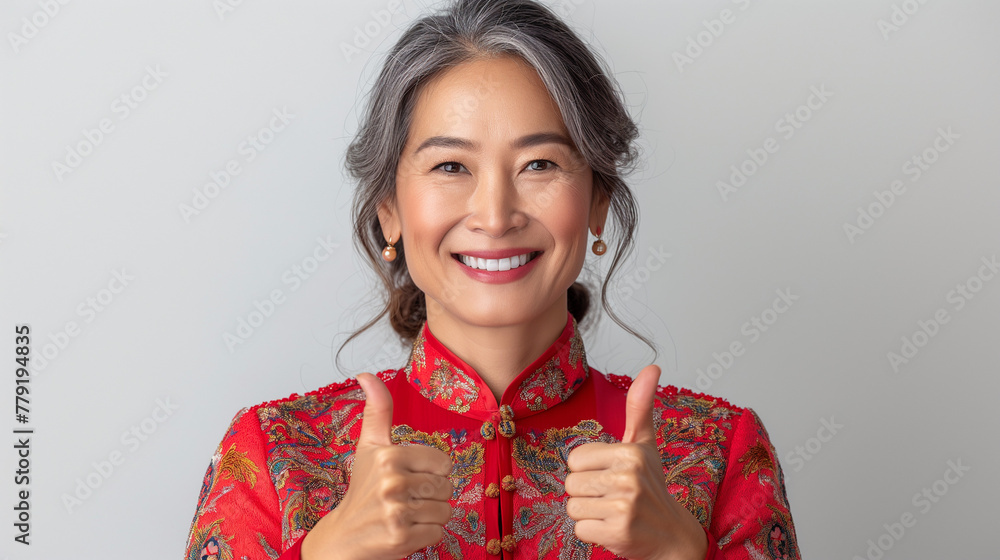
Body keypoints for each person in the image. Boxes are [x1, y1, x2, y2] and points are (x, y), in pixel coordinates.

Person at [183, 0, 800, 558]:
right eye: (451, 165)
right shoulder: (275, 455)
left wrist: (677, 553)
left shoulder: (718, 452)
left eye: (540, 163)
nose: (496, 215)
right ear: (389, 211)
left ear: (597, 202)